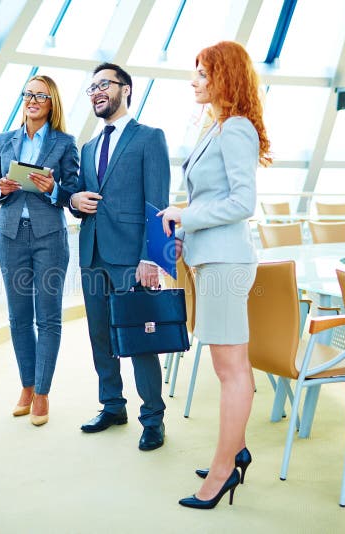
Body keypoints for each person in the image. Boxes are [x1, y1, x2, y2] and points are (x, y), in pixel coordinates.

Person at [159, 41, 272, 509]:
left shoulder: (236, 129)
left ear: (224, 77)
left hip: (226, 262)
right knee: (230, 365)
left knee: (229, 370)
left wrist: (187, 216)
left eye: (203, 74)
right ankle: (235, 449)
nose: (194, 81)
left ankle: (225, 469)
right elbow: (215, 199)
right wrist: (187, 227)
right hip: (212, 257)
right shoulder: (219, 126)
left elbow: (243, 204)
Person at [70, 63, 170, 451]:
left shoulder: (149, 138)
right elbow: (78, 197)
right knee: (100, 336)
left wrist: (153, 259)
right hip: (92, 253)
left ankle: (153, 418)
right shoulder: (88, 147)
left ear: (126, 89)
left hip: (132, 258)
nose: (96, 92)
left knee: (140, 337)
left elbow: (157, 203)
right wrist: (74, 200)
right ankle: (112, 405)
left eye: (103, 84)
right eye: (91, 86)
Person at [0, 74, 80, 426]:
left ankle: (42, 392)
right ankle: (26, 386)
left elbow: (70, 194)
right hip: (11, 234)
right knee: (18, 317)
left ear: (51, 103)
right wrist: (2, 189)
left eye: (41, 95)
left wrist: (53, 188)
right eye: (28, 94)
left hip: (49, 237)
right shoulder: (3, 140)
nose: (33, 100)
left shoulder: (65, 143)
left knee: (49, 317)